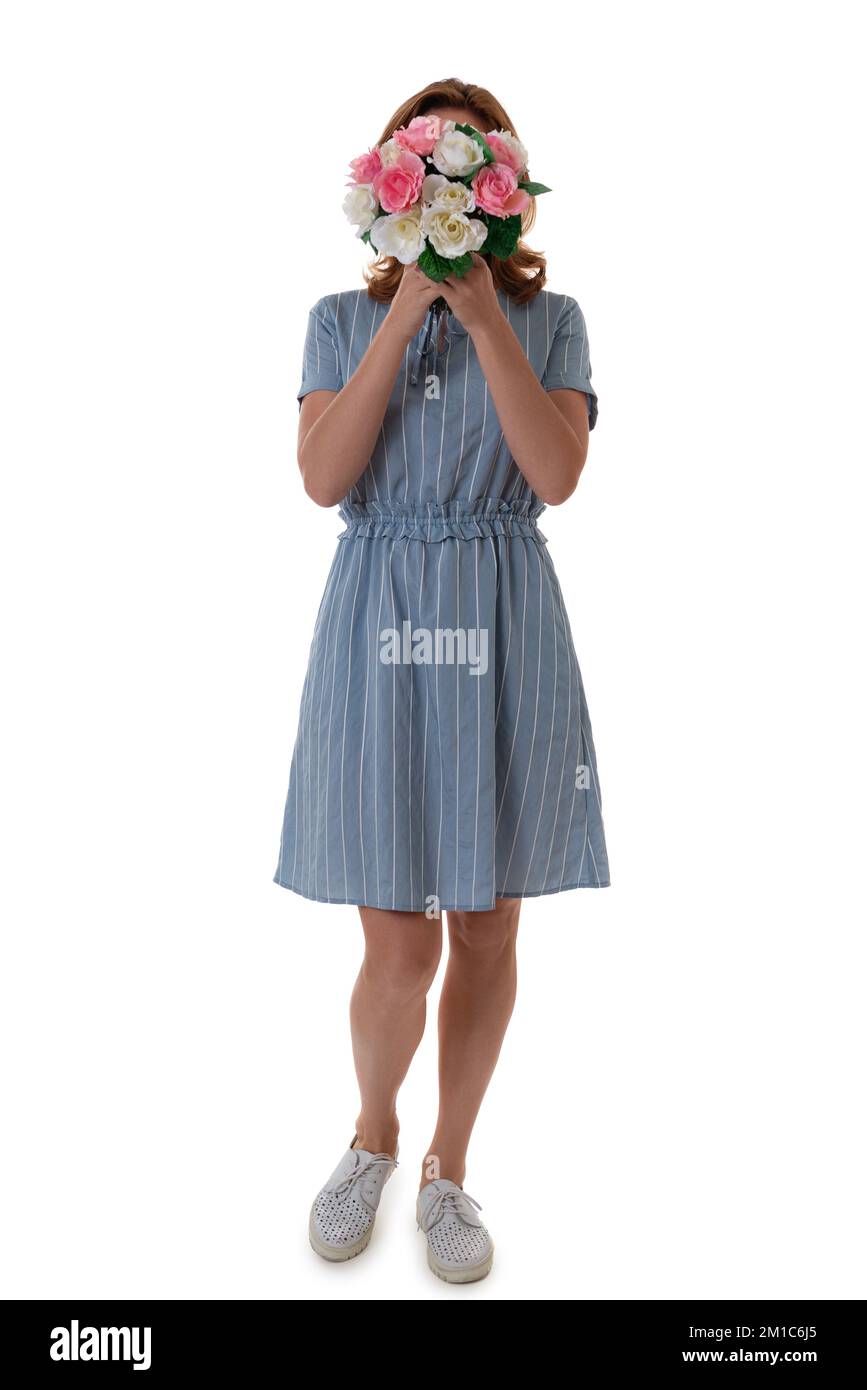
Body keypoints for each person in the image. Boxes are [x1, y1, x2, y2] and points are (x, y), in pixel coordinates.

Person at [275, 78, 610, 1284]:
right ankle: (373, 1132)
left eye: (475, 182)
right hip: (380, 623)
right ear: (392, 193)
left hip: (502, 616)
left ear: (502, 198)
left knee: (483, 922)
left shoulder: (553, 319)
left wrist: (479, 322)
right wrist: (405, 307)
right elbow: (324, 477)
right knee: (396, 943)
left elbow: (556, 472)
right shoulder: (333, 316)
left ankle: (449, 1169)